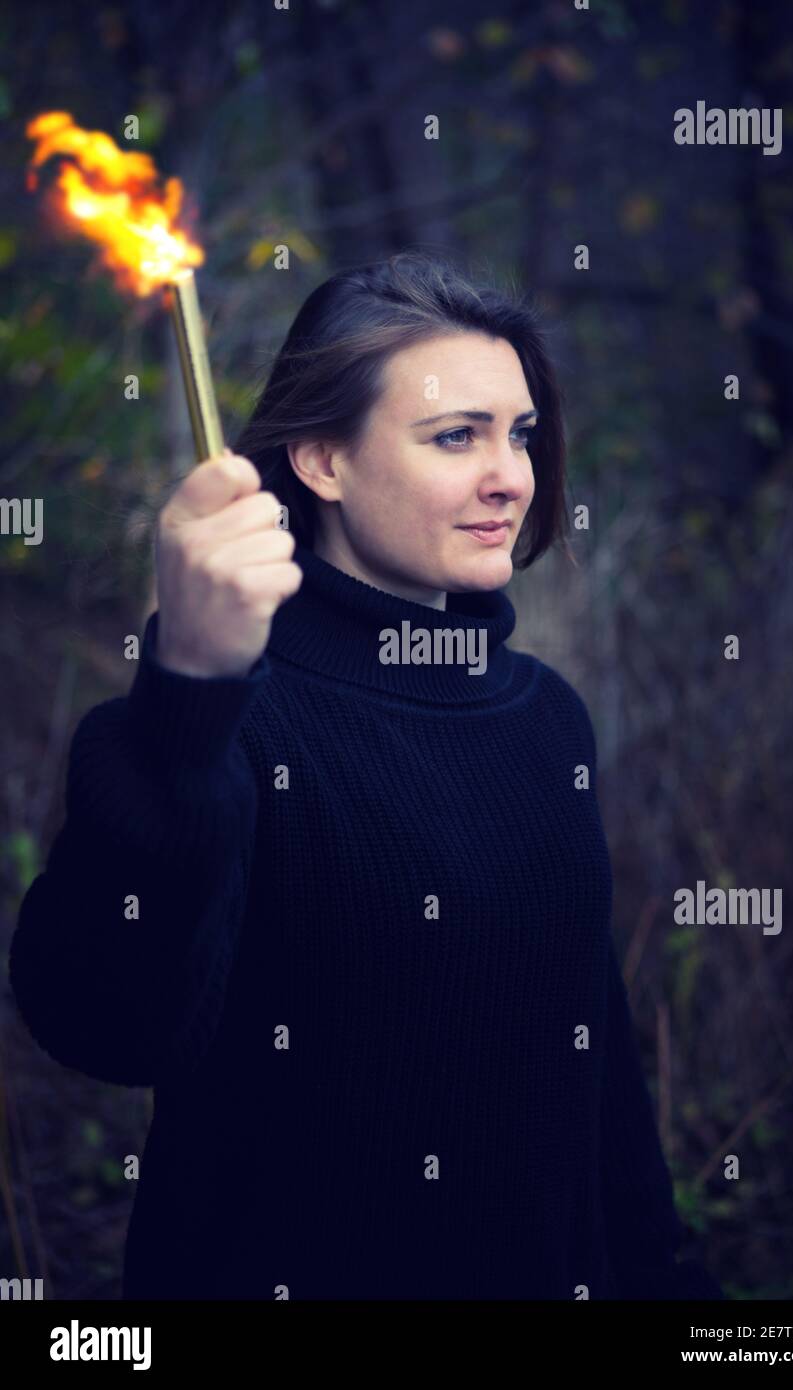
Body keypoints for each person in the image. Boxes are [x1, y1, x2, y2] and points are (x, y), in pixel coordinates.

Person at [9, 251, 724, 1300]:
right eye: (454, 436)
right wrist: (191, 694)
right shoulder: (211, 725)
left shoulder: (546, 720)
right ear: (322, 460)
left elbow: (592, 1078)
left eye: (517, 432)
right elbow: (107, 1024)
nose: (509, 476)